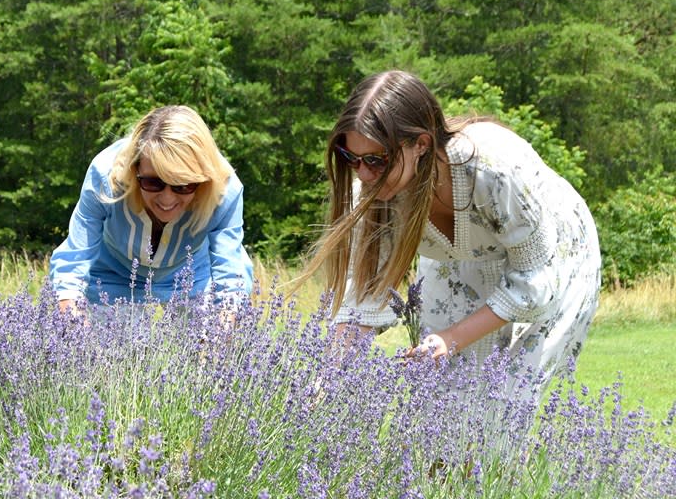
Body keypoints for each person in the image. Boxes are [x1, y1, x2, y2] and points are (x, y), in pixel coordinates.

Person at [296, 69, 601, 395]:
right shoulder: (373, 196)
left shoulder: (493, 170)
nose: (364, 174)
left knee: (506, 401)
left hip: (551, 257)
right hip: (457, 262)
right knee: (442, 398)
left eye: (376, 159)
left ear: (421, 144)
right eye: (351, 158)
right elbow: (365, 293)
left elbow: (536, 279)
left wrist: (451, 338)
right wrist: (325, 381)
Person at [49, 105, 254, 312]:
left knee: (214, 328)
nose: (166, 199)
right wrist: (73, 319)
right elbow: (74, 259)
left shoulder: (223, 188)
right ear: (135, 168)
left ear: (202, 179)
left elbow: (231, 274)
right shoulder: (106, 176)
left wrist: (223, 324)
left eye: (182, 186)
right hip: (111, 275)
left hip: (194, 275)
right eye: (152, 182)